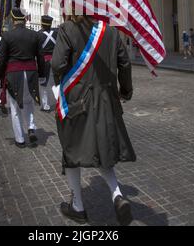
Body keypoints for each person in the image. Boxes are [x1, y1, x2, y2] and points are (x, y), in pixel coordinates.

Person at [52, 15, 136, 226]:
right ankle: (117, 195)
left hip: (77, 103)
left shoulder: (67, 28)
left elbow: (57, 64)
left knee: (71, 151)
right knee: (103, 149)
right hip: (107, 102)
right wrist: (125, 91)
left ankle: (78, 206)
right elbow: (125, 64)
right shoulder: (111, 31)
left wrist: (58, 81)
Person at [0, 6, 46, 148]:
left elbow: (1, 59)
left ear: (13, 19)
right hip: (31, 73)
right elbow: (40, 58)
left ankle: (20, 139)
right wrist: (42, 75)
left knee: (15, 107)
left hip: (14, 75)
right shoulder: (35, 35)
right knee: (29, 103)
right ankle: (30, 127)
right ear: (25, 19)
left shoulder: (7, 36)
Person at [38, 15, 59, 112]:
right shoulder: (56, 33)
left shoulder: (39, 34)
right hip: (55, 59)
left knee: (43, 84)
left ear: (42, 23)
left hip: (44, 61)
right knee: (57, 83)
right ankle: (59, 102)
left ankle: (45, 105)